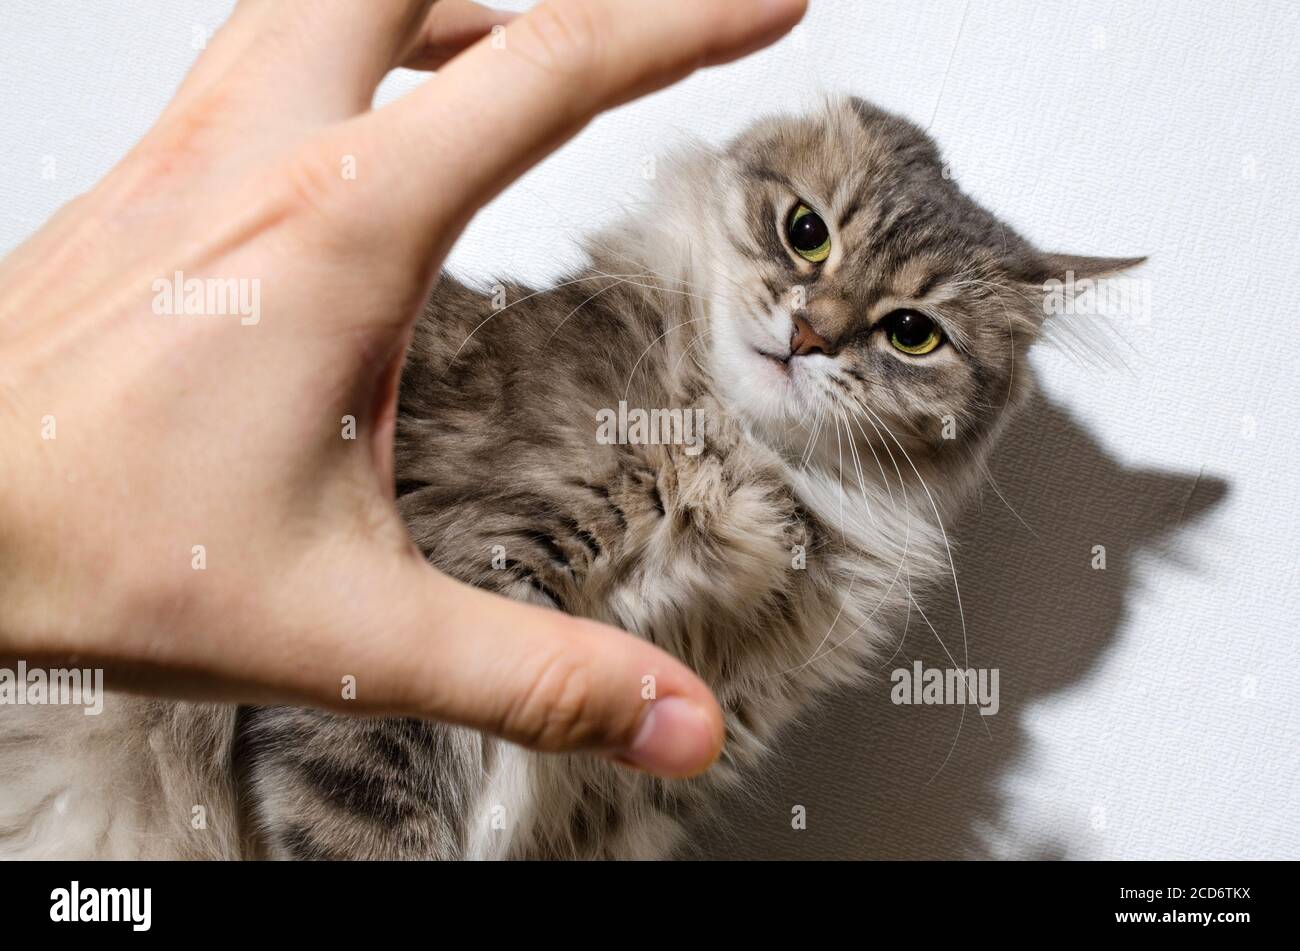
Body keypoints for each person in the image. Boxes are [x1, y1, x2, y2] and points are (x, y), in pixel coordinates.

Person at [0, 0, 806, 778]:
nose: (815, 327)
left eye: (913, 331)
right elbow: (339, 744)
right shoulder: (592, 379)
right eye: (808, 233)